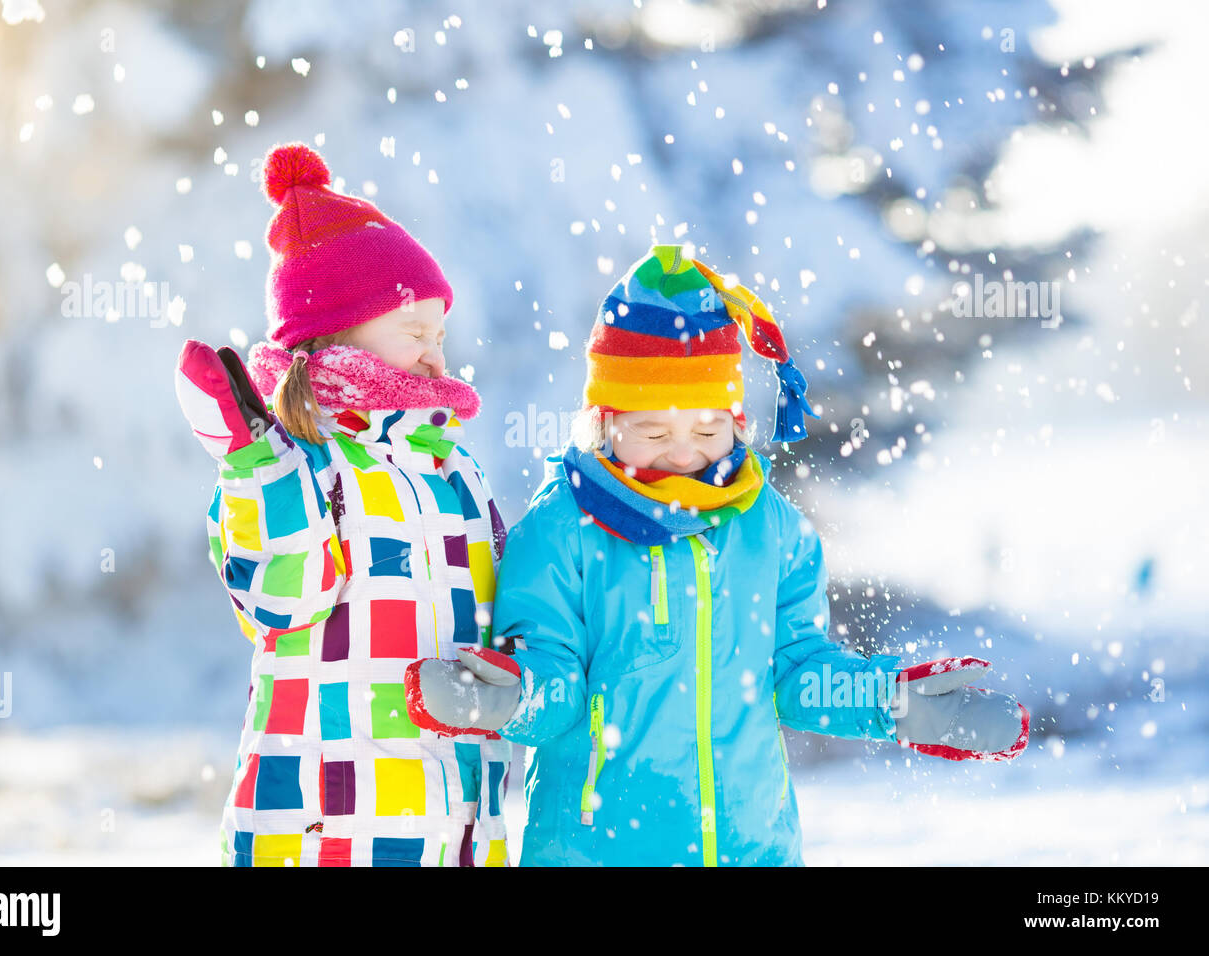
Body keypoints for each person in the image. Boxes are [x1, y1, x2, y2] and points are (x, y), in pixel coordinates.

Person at [404, 244, 1028, 866]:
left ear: (736, 421)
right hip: (596, 850)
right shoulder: (564, 529)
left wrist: (893, 704)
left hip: (749, 848)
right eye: (653, 431)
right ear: (605, 423)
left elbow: (800, 671)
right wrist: (509, 699)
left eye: (707, 430)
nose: (683, 453)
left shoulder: (769, 527)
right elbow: (555, 678)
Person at [175, 142, 510, 867]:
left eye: (439, 334)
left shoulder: (456, 471)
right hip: (325, 825)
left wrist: (516, 667)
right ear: (334, 336)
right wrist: (252, 464)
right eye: (413, 333)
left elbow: (509, 601)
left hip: (457, 823)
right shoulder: (304, 464)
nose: (435, 354)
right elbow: (284, 598)